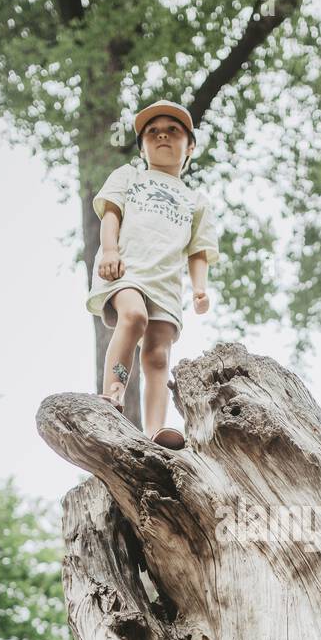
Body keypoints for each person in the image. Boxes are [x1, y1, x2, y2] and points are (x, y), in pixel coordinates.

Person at [86, 99, 220, 449]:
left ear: (189, 146)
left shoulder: (196, 201)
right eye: (152, 132)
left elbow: (199, 250)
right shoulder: (129, 177)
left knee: (158, 354)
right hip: (126, 269)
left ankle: (155, 431)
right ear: (143, 145)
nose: (162, 135)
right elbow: (111, 214)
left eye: (172, 131)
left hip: (166, 285)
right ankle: (113, 391)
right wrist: (111, 250)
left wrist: (199, 289)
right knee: (133, 316)